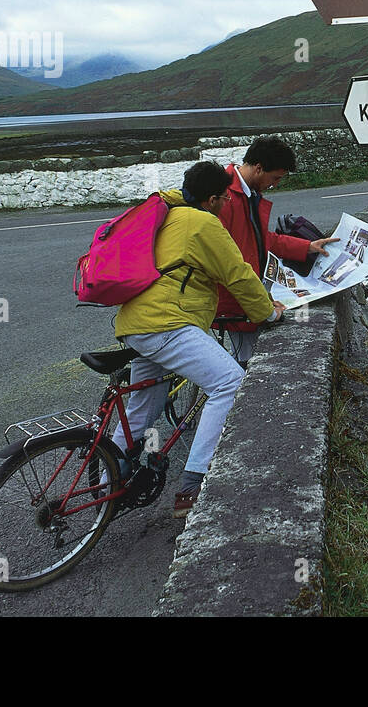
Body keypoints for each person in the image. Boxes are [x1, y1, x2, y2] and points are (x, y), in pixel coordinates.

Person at [112, 160, 285, 518]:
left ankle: (109, 477)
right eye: (224, 199)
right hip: (167, 323)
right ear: (211, 199)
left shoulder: (168, 215)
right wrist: (268, 312)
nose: (226, 205)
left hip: (136, 322)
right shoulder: (204, 222)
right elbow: (238, 275)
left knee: (146, 404)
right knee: (229, 382)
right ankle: (194, 485)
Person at [212, 137, 337, 364]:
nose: (275, 184)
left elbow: (262, 239)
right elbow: (223, 260)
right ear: (259, 168)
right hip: (236, 300)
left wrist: (307, 246)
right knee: (248, 367)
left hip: (248, 296)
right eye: (275, 178)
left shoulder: (248, 193)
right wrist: (259, 303)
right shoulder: (225, 197)